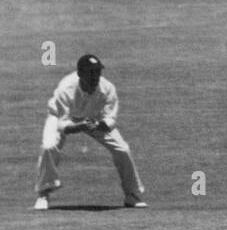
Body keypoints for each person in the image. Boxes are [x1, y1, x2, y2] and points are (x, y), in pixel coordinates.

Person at [34, 54, 147, 209]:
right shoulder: (66, 88)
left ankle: (131, 195)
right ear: (80, 74)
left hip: (95, 119)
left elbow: (111, 119)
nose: (95, 77)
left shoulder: (107, 88)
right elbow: (62, 124)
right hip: (62, 117)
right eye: (91, 72)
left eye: (97, 72)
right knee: (48, 146)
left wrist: (100, 125)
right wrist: (80, 126)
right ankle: (43, 195)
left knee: (123, 149)